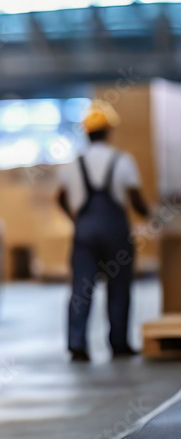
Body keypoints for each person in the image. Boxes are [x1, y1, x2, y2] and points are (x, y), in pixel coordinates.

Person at [56, 100, 149, 362]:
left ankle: (77, 343)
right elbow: (137, 201)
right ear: (108, 132)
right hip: (115, 231)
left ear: (86, 132)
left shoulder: (73, 164)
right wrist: (151, 215)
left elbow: (60, 198)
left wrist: (76, 219)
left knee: (81, 288)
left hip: (85, 231)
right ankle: (118, 343)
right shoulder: (123, 161)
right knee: (119, 287)